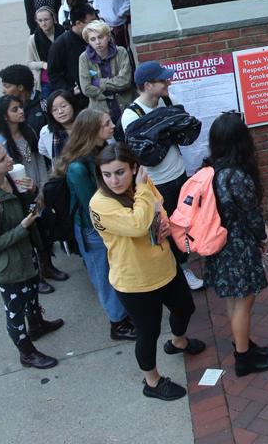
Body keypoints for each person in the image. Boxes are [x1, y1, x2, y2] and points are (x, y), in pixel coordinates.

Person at [90, 143, 204, 401]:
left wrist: (162, 225)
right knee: (148, 332)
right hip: (134, 281)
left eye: (119, 172)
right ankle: (152, 382)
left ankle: (178, 342)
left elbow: (159, 207)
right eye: (107, 174)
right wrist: (142, 191)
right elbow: (138, 224)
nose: (114, 180)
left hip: (164, 267)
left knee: (185, 308)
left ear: (133, 168)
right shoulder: (100, 203)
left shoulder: (142, 185)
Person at [0, 141, 62, 369]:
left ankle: (36, 324)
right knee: (15, 310)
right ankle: (26, 353)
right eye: (2, 159)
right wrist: (23, 228)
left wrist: (30, 192)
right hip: (8, 266)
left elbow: (18, 209)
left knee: (32, 292)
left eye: (6, 155)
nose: (9, 160)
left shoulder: (6, 180)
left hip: (25, 254)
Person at [202, 112, 268, 376]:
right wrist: (264, 236)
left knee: (234, 299)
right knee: (244, 302)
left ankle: (242, 343)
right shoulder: (237, 176)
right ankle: (244, 358)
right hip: (238, 246)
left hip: (219, 244)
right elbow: (252, 216)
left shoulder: (209, 169)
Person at [121, 61, 204, 290]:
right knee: (165, 228)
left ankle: (183, 262)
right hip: (157, 184)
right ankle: (176, 271)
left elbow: (184, 131)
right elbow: (148, 155)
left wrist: (161, 132)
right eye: (162, 80)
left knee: (184, 222)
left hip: (179, 174)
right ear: (148, 85)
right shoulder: (131, 115)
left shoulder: (169, 100)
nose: (169, 82)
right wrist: (167, 128)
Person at [58, 109, 136, 342]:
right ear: (92, 131)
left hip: (106, 223)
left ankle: (122, 314)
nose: (112, 126)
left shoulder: (101, 152)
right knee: (104, 275)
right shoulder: (78, 168)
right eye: (106, 124)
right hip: (93, 229)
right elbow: (93, 206)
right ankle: (117, 323)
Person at [0, 94, 68, 290]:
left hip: (35, 191)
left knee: (44, 230)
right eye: (15, 109)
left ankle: (48, 266)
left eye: (20, 107)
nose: (21, 111)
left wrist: (41, 187)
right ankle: (36, 276)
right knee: (28, 235)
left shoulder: (27, 130)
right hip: (14, 198)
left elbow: (37, 161)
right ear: (4, 116)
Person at [79, 19, 136, 121]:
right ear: (88, 41)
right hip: (100, 111)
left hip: (126, 105)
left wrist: (98, 83)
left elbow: (125, 81)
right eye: (93, 39)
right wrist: (107, 93)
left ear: (108, 37)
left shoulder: (121, 52)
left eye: (100, 37)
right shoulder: (84, 58)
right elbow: (86, 88)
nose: (97, 42)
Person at [48, 2, 98, 94]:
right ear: (78, 23)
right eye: (91, 22)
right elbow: (53, 75)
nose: (96, 25)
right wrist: (70, 91)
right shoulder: (60, 45)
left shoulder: (96, 38)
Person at [0, 63, 49, 137]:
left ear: (20, 87)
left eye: (7, 86)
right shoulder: (4, 107)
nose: (3, 91)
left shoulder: (44, 104)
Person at [28, 7, 63, 97]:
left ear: (53, 19)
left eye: (46, 19)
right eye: (40, 20)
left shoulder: (64, 33)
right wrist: (42, 64)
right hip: (46, 80)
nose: (43, 23)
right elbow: (29, 63)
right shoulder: (33, 39)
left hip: (64, 77)